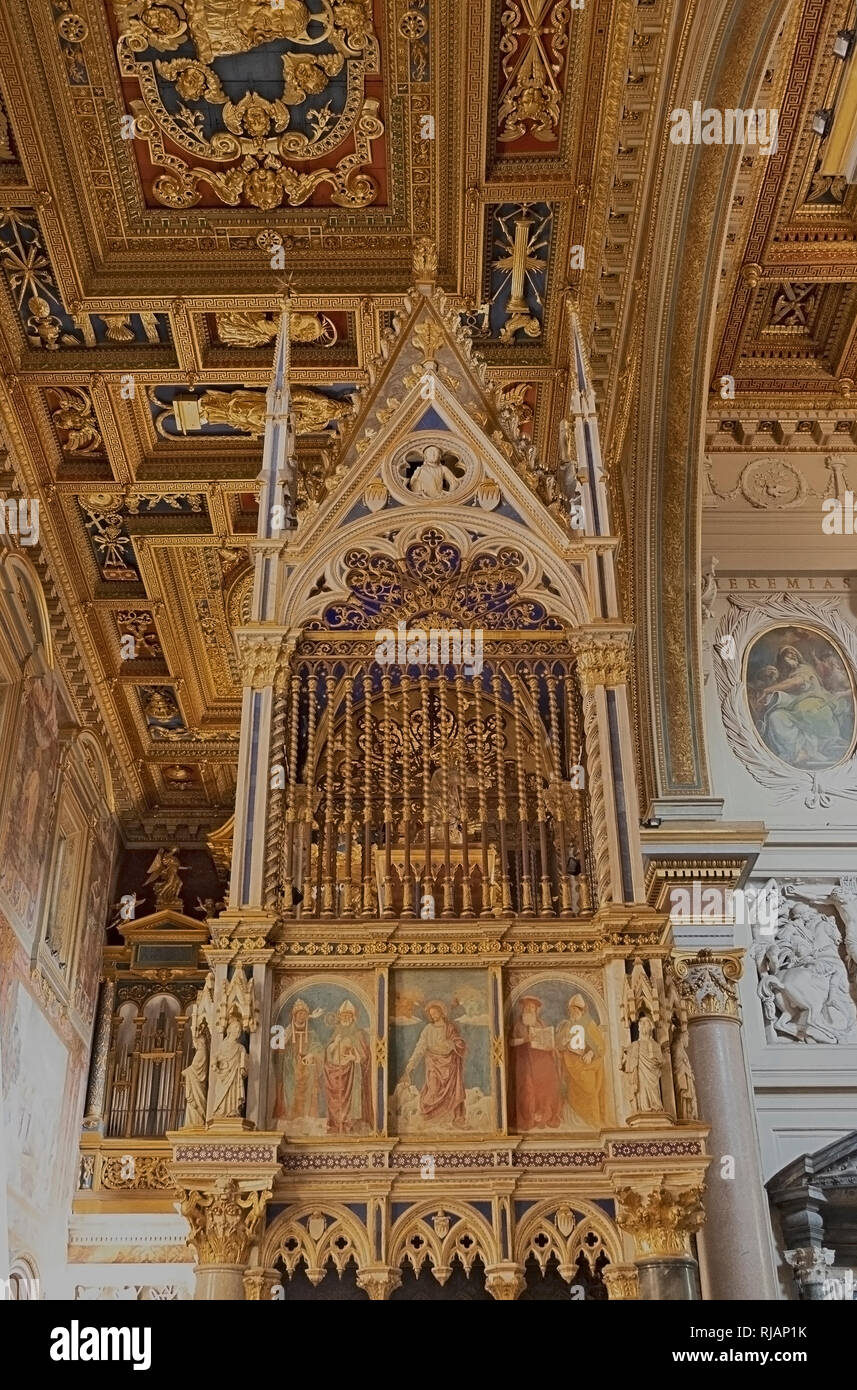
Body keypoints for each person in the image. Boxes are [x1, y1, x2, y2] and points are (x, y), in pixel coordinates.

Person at [402, 1001, 466, 1125]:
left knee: (452, 1091)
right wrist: (411, 1064)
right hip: (433, 1063)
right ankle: (433, 1118)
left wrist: (450, 1044)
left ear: (442, 1013)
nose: (434, 1016)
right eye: (431, 1014)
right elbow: (420, 1047)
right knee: (433, 1089)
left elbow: (459, 1043)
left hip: (450, 1065)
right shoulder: (428, 1029)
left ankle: (450, 1118)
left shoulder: (450, 1027)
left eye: (436, 1013)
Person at [509, 995, 562, 1130]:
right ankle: (529, 1118)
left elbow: (547, 1042)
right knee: (527, 1090)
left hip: (541, 1063)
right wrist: (525, 1039)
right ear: (523, 1009)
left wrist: (552, 1047)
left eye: (532, 1008)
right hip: (524, 1063)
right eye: (527, 1007)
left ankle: (543, 1116)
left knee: (545, 1087)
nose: (529, 1010)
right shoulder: (518, 1026)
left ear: (536, 1010)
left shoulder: (541, 1024)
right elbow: (510, 1042)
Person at [323, 1000, 373, 1134]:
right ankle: (335, 1123)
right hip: (335, 1070)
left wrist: (354, 1057)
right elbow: (327, 1052)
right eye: (343, 1016)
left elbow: (364, 1055)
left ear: (353, 1017)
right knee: (335, 1097)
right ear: (340, 1017)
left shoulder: (358, 1033)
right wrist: (334, 1044)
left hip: (350, 1072)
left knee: (349, 1099)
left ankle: (347, 1123)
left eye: (348, 1016)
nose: (346, 1018)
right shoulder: (336, 1032)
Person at [556, 994, 605, 1129]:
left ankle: (592, 1121)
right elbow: (558, 1045)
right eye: (571, 1011)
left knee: (590, 1088)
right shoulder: (567, 1026)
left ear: (582, 1011)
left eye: (576, 1011)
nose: (573, 1013)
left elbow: (600, 1046)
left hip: (586, 1065)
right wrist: (563, 1042)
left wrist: (590, 1053)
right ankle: (577, 1121)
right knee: (572, 1092)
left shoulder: (589, 1024)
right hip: (571, 1066)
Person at [275, 998, 324, 1122]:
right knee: (291, 1089)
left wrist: (312, 1054)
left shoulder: (311, 1033)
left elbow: (318, 1047)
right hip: (290, 1065)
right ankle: (291, 1115)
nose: (302, 1016)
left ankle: (307, 1116)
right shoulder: (289, 1031)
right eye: (299, 1013)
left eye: (304, 1014)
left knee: (309, 1086)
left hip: (306, 1067)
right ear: (294, 1015)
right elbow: (278, 1045)